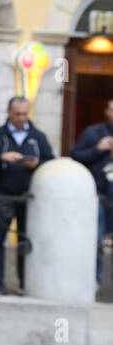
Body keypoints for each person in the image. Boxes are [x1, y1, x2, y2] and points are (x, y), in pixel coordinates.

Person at [0, 96, 54, 295]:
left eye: (24, 114)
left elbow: (51, 162)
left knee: (26, 239)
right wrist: (1, 158)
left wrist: (36, 164)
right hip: (2, 193)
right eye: (17, 114)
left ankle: (23, 282)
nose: (21, 118)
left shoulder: (38, 137)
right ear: (9, 113)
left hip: (28, 195)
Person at [70, 97, 113, 283]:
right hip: (98, 195)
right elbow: (76, 156)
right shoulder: (93, 132)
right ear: (106, 112)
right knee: (96, 239)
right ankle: (93, 280)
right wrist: (98, 149)